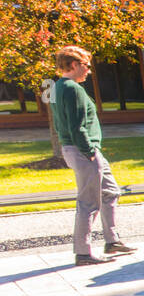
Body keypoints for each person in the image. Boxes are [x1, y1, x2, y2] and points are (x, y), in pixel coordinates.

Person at [51, 46, 136, 266]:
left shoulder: (59, 86)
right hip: (83, 151)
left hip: (81, 149)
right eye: (86, 65)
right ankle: (83, 253)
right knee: (89, 202)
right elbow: (76, 126)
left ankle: (112, 240)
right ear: (73, 65)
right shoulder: (72, 89)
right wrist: (89, 151)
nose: (89, 70)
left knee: (110, 192)